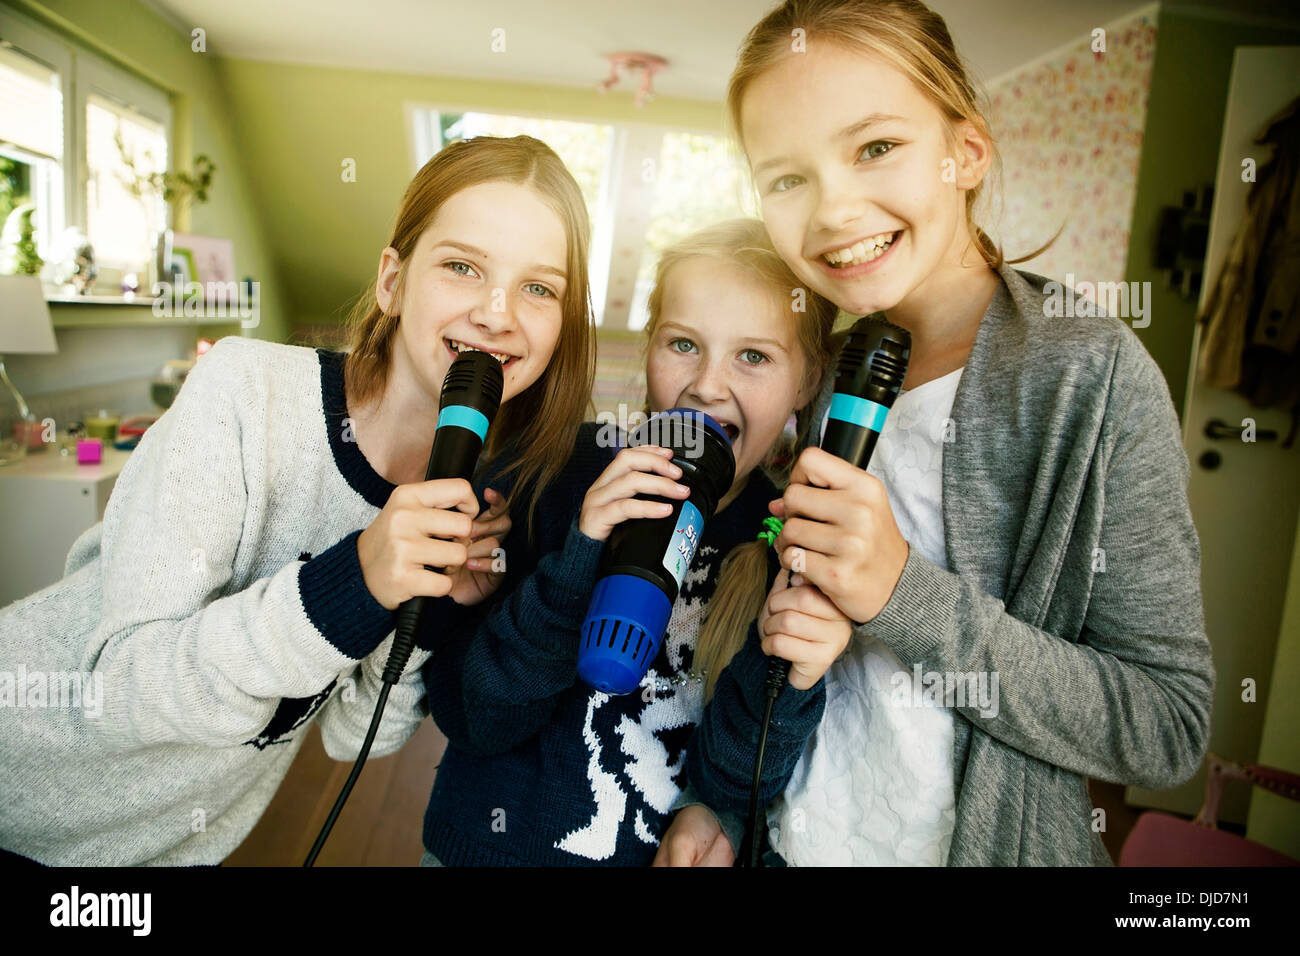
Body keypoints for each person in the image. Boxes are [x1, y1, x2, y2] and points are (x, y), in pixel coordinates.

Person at [655, 0, 1213, 867]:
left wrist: (901, 593)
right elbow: (765, 635)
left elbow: (1166, 727)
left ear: (967, 150)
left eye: (876, 147)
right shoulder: (809, 372)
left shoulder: (1089, 376)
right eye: (787, 178)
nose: (835, 210)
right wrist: (723, 801)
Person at [0, 134, 595, 865]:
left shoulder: (477, 494)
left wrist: (433, 608)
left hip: (156, 851)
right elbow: (120, 687)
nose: (498, 314)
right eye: (462, 266)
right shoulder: (245, 391)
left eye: (539, 288)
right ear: (393, 282)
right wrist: (354, 581)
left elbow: (354, 735)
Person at [419, 218, 843, 865]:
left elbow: (738, 782)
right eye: (683, 344)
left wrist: (793, 677)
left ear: (807, 381)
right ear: (648, 347)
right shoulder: (556, 471)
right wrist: (579, 558)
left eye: (753, 356)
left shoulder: (789, 539)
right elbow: (474, 716)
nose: (708, 385)